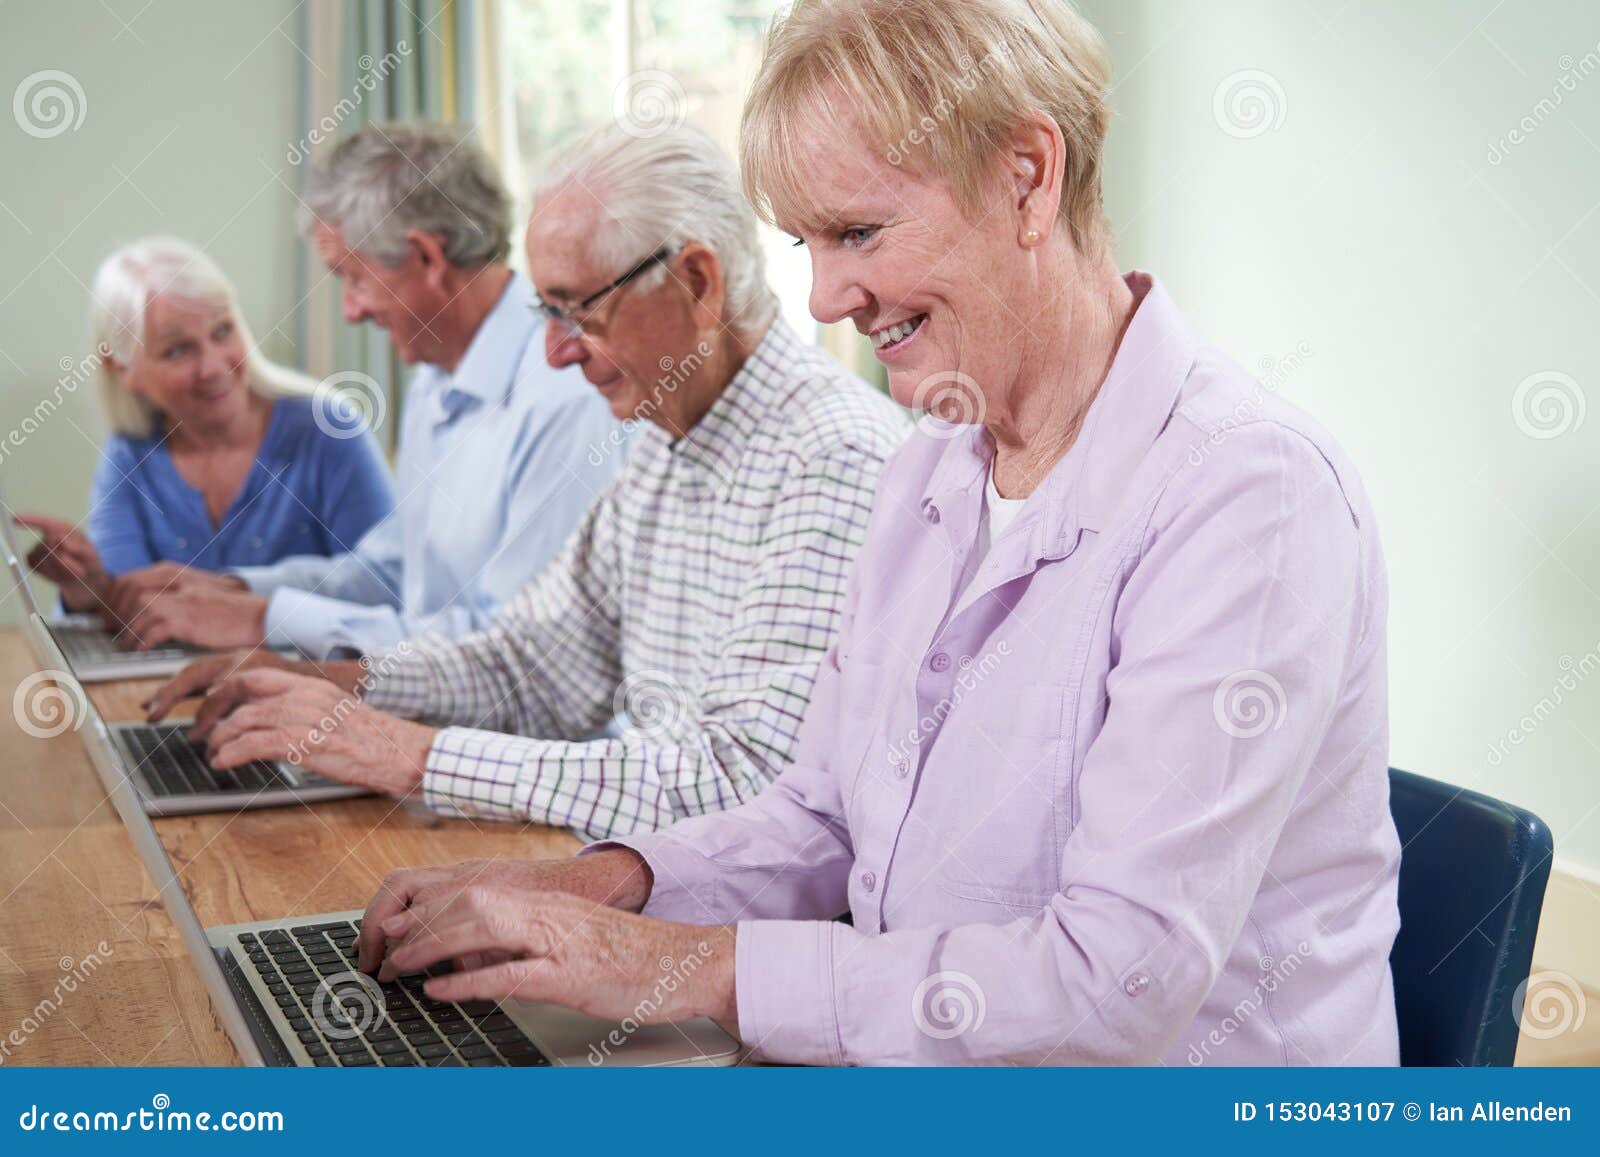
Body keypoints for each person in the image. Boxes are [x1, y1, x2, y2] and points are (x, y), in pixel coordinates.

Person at [338, 0, 1403, 1067]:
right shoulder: (932, 465)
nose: (824, 293)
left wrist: (687, 964)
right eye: (806, 242)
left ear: (1027, 177)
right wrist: (600, 883)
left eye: (857, 233)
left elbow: (1112, 983)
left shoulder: (1247, 494)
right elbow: (826, 813)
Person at [147, 124, 912, 839]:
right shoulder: (666, 433)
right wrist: (338, 683)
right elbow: (537, 662)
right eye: (547, 312)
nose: (554, 354)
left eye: (579, 312)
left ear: (696, 281)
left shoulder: (831, 457)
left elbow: (742, 784)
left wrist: (408, 754)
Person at [112, 123, 622, 658]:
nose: (351, 312)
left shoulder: (563, 400)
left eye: (352, 278)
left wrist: (268, 621)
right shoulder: (437, 376)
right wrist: (234, 593)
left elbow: (520, 652)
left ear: (427, 258)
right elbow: (394, 570)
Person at [17, 237, 393, 627]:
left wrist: (227, 593)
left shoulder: (328, 430)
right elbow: (129, 610)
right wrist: (88, 592)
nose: (213, 367)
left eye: (222, 331)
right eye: (178, 350)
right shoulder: (130, 454)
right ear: (123, 369)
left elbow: (389, 585)